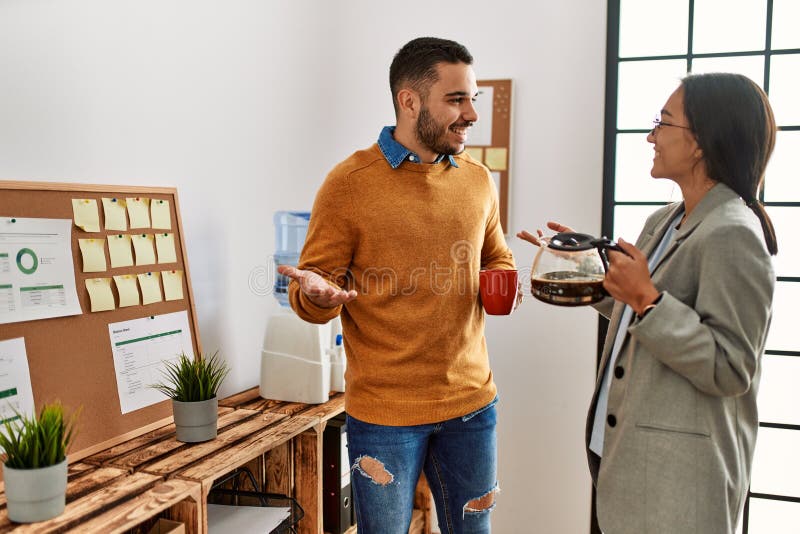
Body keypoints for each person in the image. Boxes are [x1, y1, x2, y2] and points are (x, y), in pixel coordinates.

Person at [519, 72, 777, 533]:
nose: (651, 136)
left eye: (663, 123)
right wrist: (586, 273)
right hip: (621, 461)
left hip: (677, 483)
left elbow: (732, 368)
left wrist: (647, 298)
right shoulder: (666, 219)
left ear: (700, 141)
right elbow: (637, 311)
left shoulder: (733, 232)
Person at [278, 37, 514, 533]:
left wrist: (523, 276)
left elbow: (496, 257)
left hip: (472, 405)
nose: (472, 113)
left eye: (473, 99)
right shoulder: (349, 184)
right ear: (409, 101)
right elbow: (313, 291)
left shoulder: (478, 180)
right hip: (384, 415)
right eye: (456, 99)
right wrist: (317, 296)